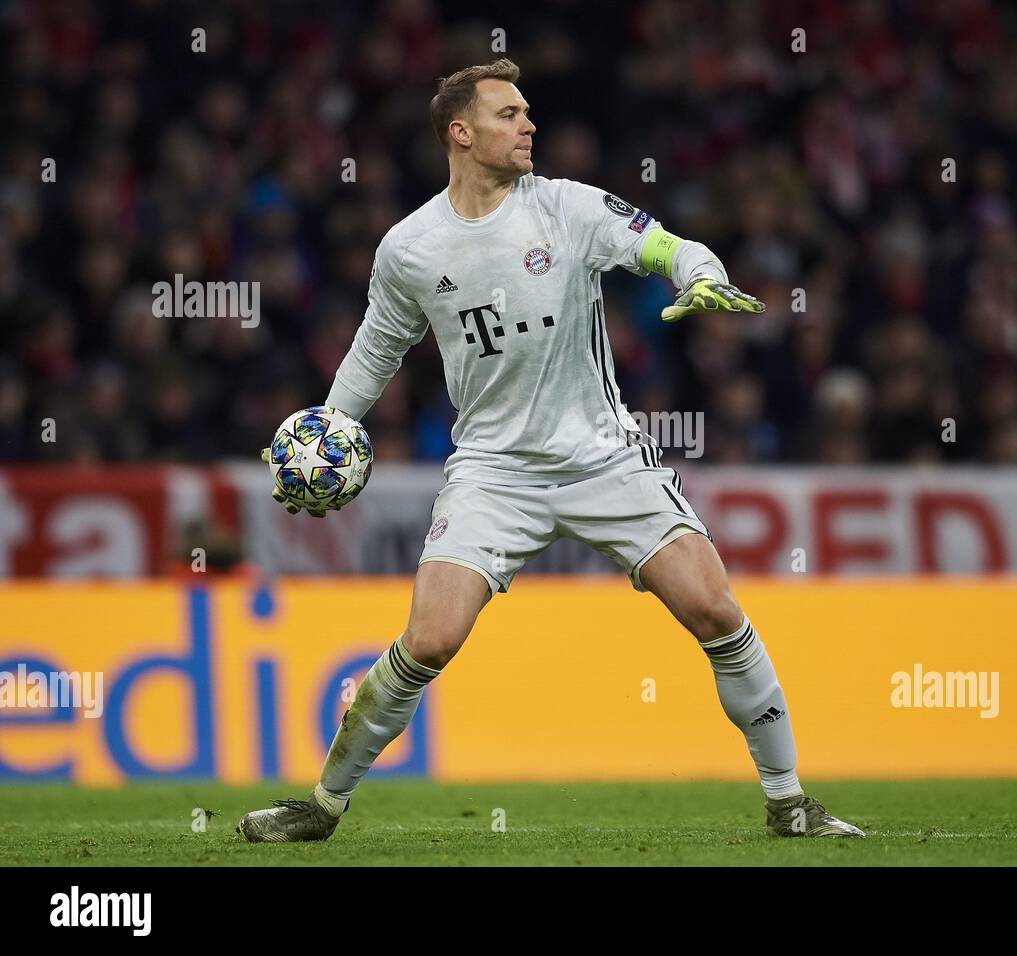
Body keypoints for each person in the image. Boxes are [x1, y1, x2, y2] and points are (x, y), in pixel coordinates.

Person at [238, 58, 863, 842]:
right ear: (460, 133)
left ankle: (789, 802)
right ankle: (321, 807)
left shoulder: (569, 208)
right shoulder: (409, 247)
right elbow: (376, 350)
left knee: (714, 609)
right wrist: (326, 433)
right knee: (429, 639)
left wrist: (700, 275)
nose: (529, 124)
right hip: (494, 473)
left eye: (528, 112)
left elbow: (667, 245)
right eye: (509, 114)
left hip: (604, 457)